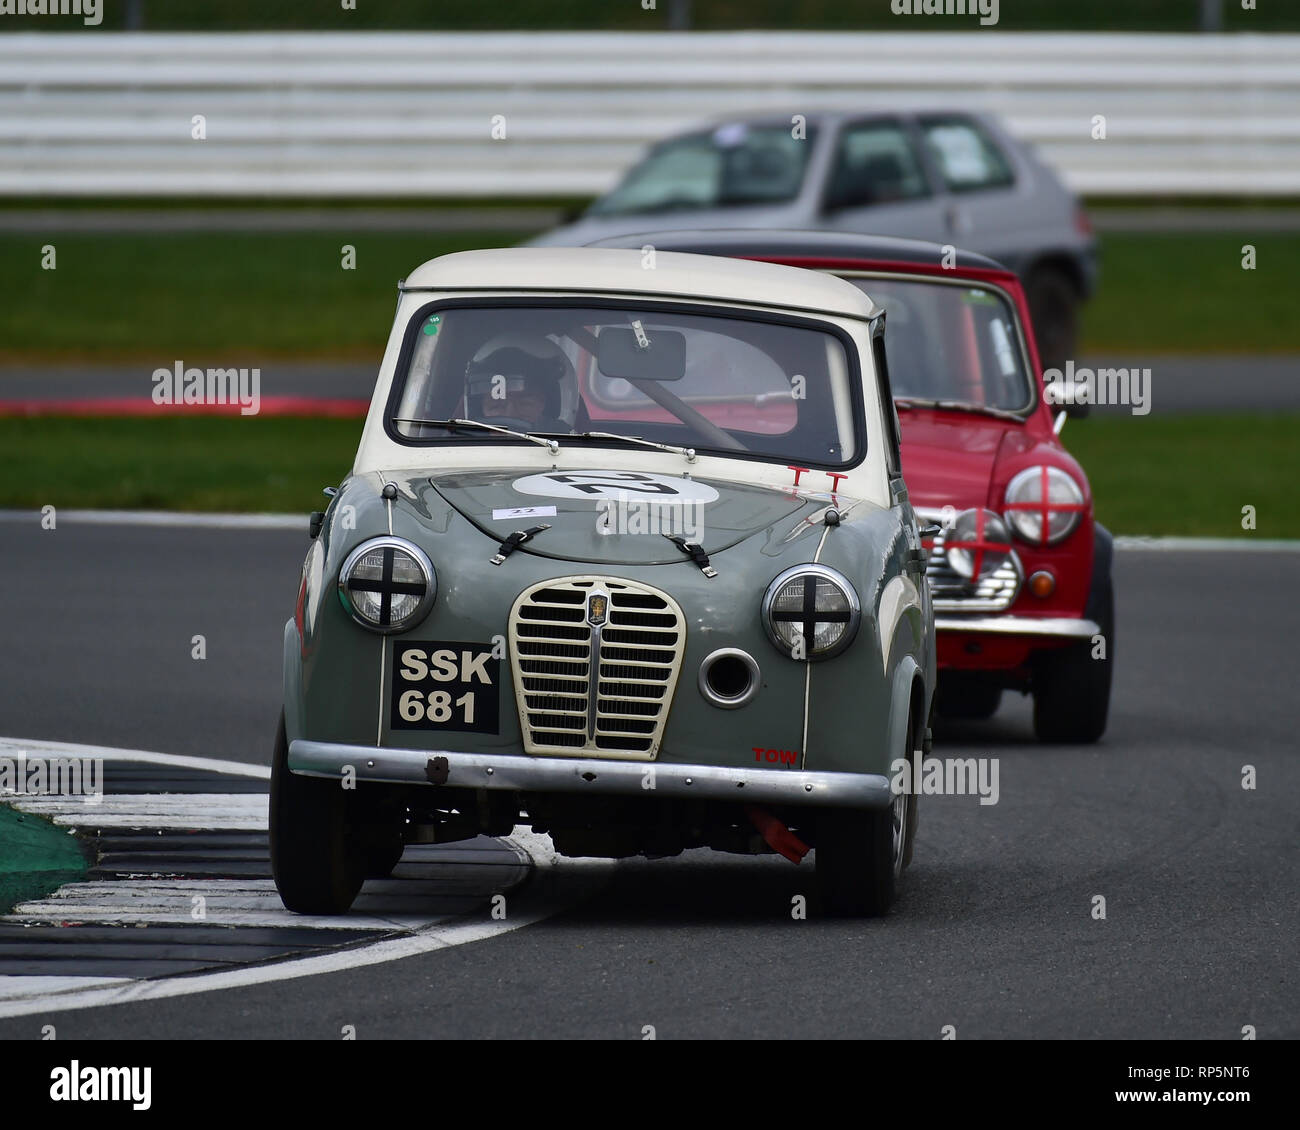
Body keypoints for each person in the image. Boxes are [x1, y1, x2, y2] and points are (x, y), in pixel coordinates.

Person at [464, 334, 576, 432]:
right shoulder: (459, 446)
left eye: (525, 403)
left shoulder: (570, 446)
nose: (510, 415)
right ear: (480, 409)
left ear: (545, 403)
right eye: (496, 406)